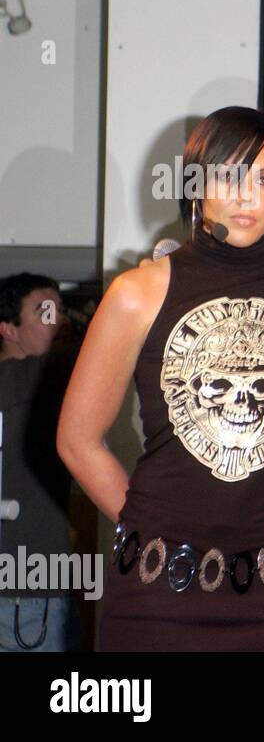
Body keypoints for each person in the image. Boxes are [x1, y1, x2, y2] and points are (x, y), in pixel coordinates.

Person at [57, 106, 264, 651]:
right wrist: (151, 526)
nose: (246, 197)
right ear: (195, 182)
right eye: (230, 176)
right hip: (159, 594)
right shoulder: (137, 294)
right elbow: (76, 440)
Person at [0, 273, 77, 651]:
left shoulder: (55, 382)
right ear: (8, 330)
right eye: (43, 311)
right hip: (27, 592)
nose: (56, 318)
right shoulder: (36, 376)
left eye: (58, 310)